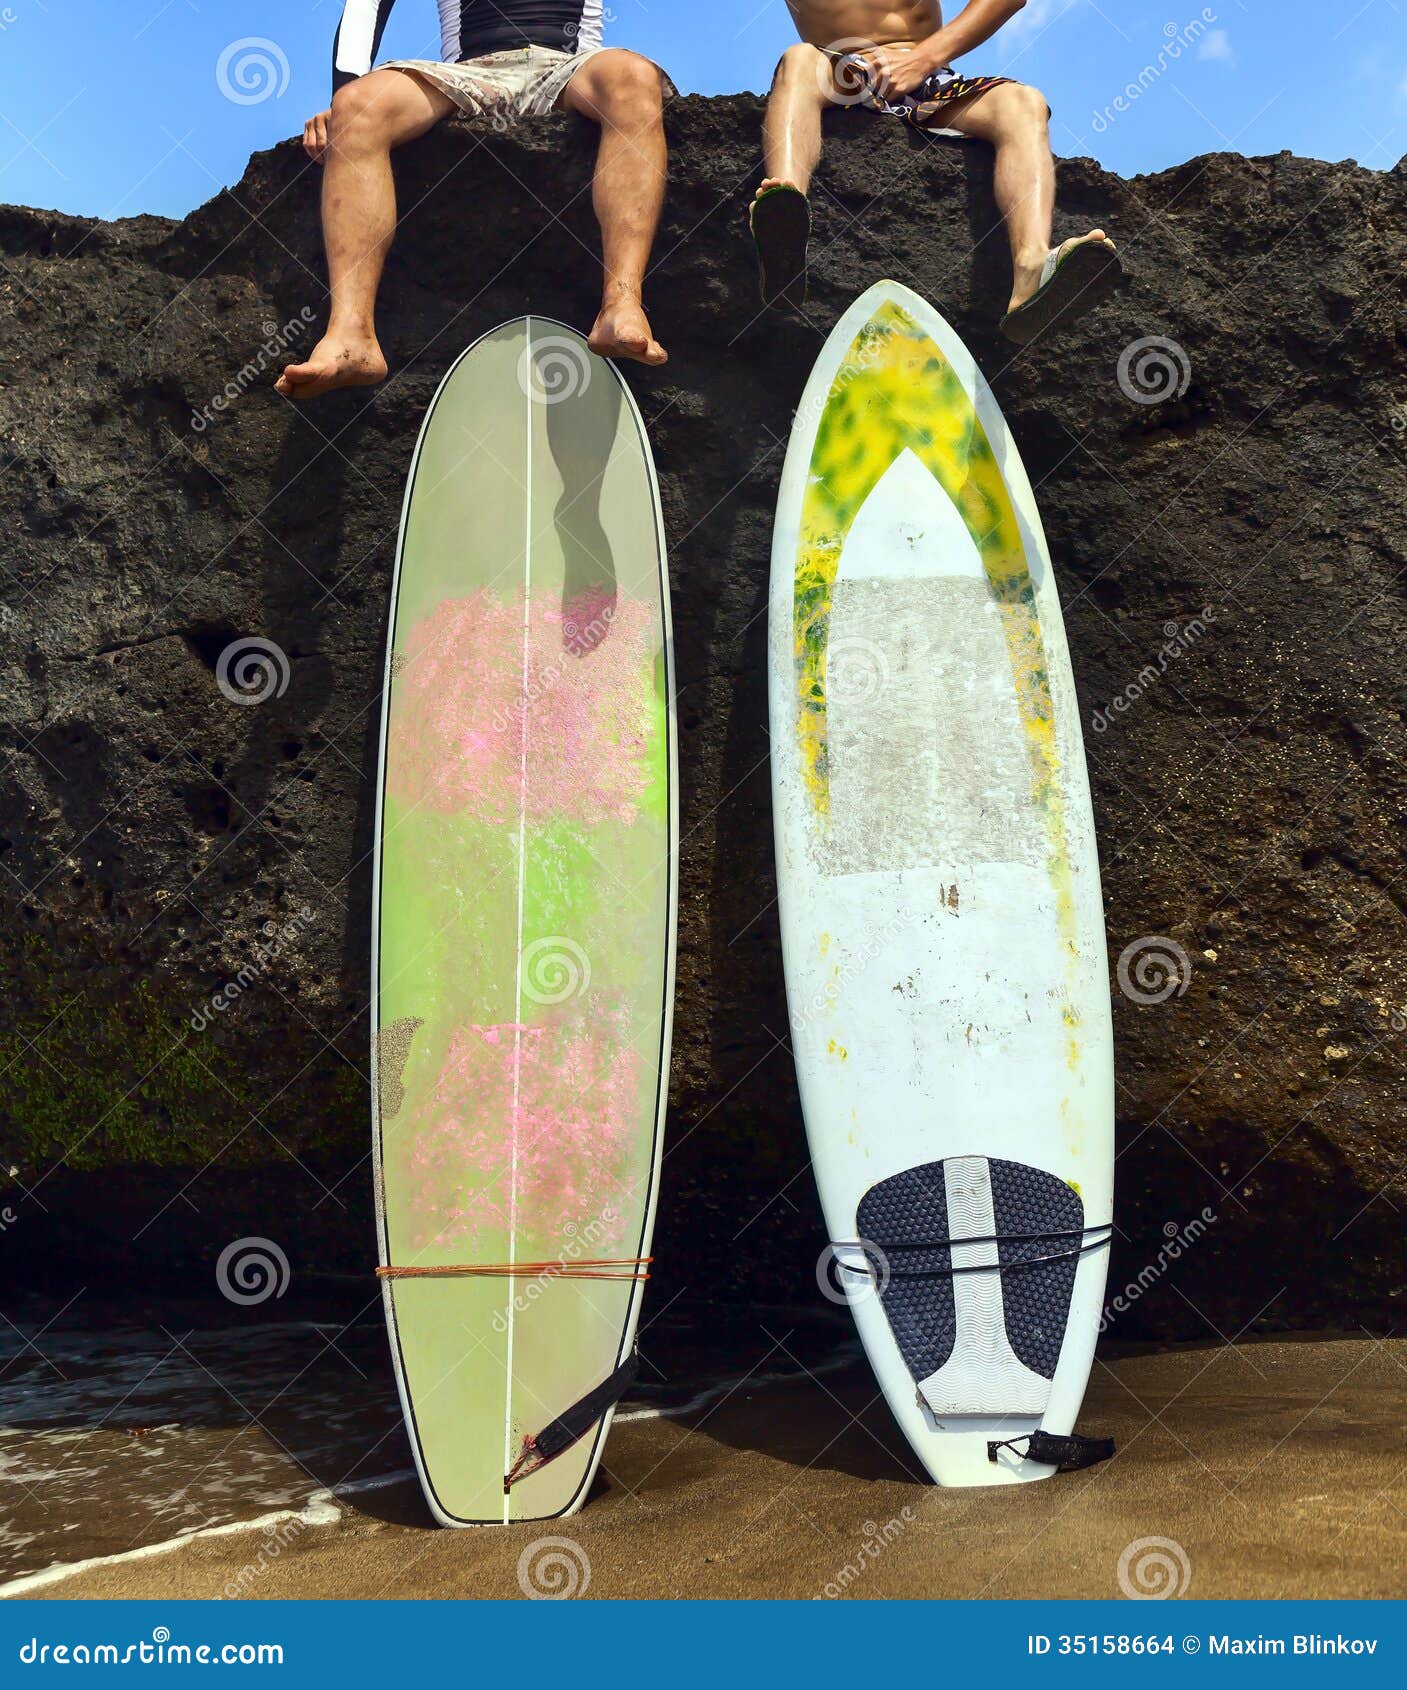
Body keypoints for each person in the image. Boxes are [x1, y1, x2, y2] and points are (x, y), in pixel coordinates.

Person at [278, 1, 672, 400]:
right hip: (469, 71)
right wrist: (340, 96)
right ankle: (351, 335)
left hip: (571, 66)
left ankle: (621, 305)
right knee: (357, 107)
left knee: (637, 78)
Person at [751, 1, 1122, 341]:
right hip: (842, 70)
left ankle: (1031, 268)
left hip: (931, 78)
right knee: (798, 59)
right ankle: (783, 212)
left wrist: (923, 59)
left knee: (1025, 102)